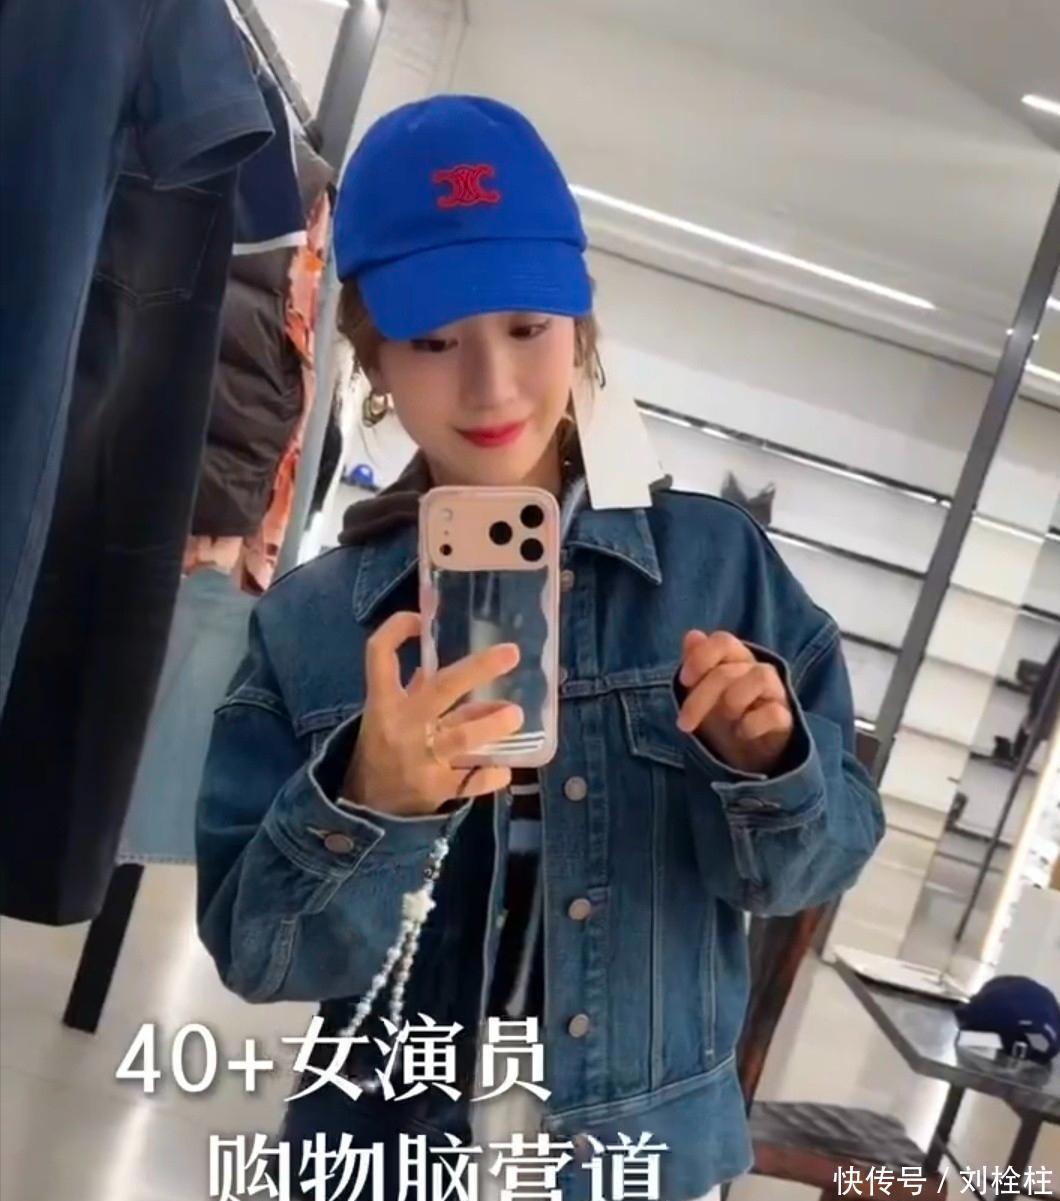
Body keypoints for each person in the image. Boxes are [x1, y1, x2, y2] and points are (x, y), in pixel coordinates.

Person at [196, 94, 885, 1201]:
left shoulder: (716, 570)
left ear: (581, 325)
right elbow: (261, 955)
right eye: (434, 340)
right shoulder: (314, 623)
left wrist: (769, 766)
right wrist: (368, 800)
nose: (493, 386)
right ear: (373, 359)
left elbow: (817, 866)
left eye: (527, 326)